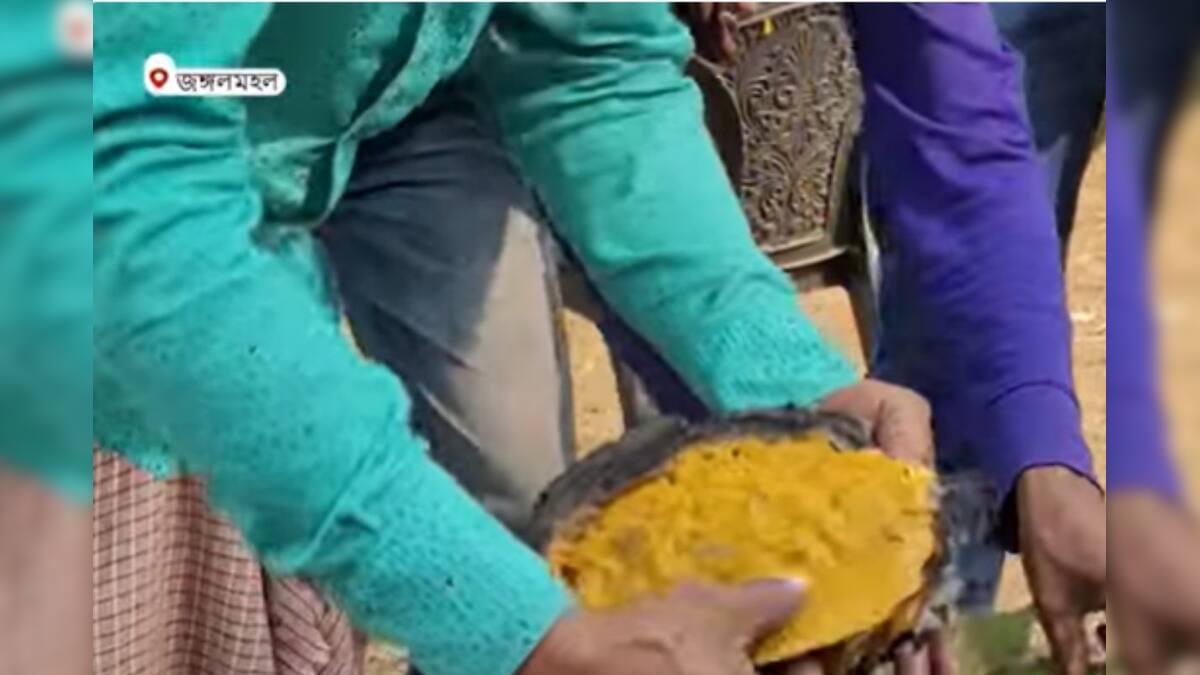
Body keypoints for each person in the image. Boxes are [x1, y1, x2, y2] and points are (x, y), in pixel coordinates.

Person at [89, 4, 934, 675]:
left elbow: (590, 62)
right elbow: (120, 177)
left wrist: (792, 381)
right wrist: (505, 623)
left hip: (224, 366)